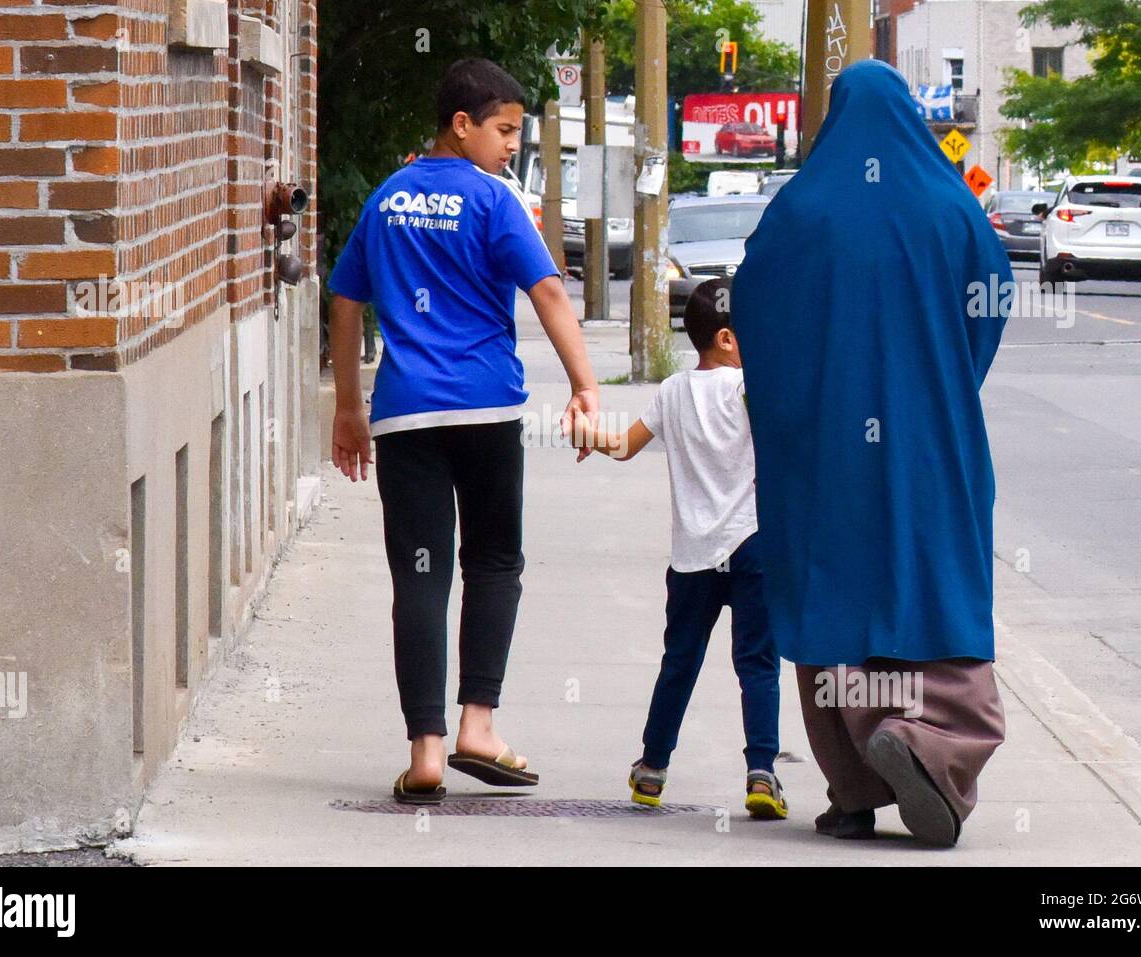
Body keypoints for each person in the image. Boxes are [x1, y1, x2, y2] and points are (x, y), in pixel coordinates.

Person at [731, 59, 1012, 847]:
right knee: (934, 575)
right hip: (930, 438)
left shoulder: (799, 210)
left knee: (832, 591)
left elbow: (750, 306)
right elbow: (989, 302)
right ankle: (930, 743)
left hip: (823, 449)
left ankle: (852, 788)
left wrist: (791, 407)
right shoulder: (951, 209)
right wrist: (949, 378)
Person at [328, 58, 599, 805]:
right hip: (485, 409)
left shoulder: (386, 199)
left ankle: (426, 751)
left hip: (407, 412)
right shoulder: (493, 200)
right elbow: (546, 288)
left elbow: (346, 299)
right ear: (463, 124)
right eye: (505, 130)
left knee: (418, 577)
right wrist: (584, 384)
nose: (512, 145)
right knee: (493, 561)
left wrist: (349, 406)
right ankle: (479, 723)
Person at [574, 278, 786, 820]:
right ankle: (761, 772)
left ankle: (651, 769)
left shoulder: (672, 391)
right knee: (757, 662)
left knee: (680, 661)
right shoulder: (751, 389)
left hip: (693, 554)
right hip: (751, 542)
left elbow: (623, 448)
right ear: (726, 338)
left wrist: (587, 431)